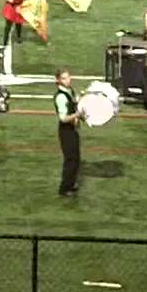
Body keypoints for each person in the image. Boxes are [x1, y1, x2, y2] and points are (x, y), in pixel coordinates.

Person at [54, 68, 82, 197]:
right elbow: (63, 118)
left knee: (76, 158)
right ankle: (64, 188)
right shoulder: (60, 96)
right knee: (70, 159)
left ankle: (71, 183)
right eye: (64, 78)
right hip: (66, 131)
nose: (68, 80)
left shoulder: (69, 92)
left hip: (73, 129)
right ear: (58, 81)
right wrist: (77, 114)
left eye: (68, 77)